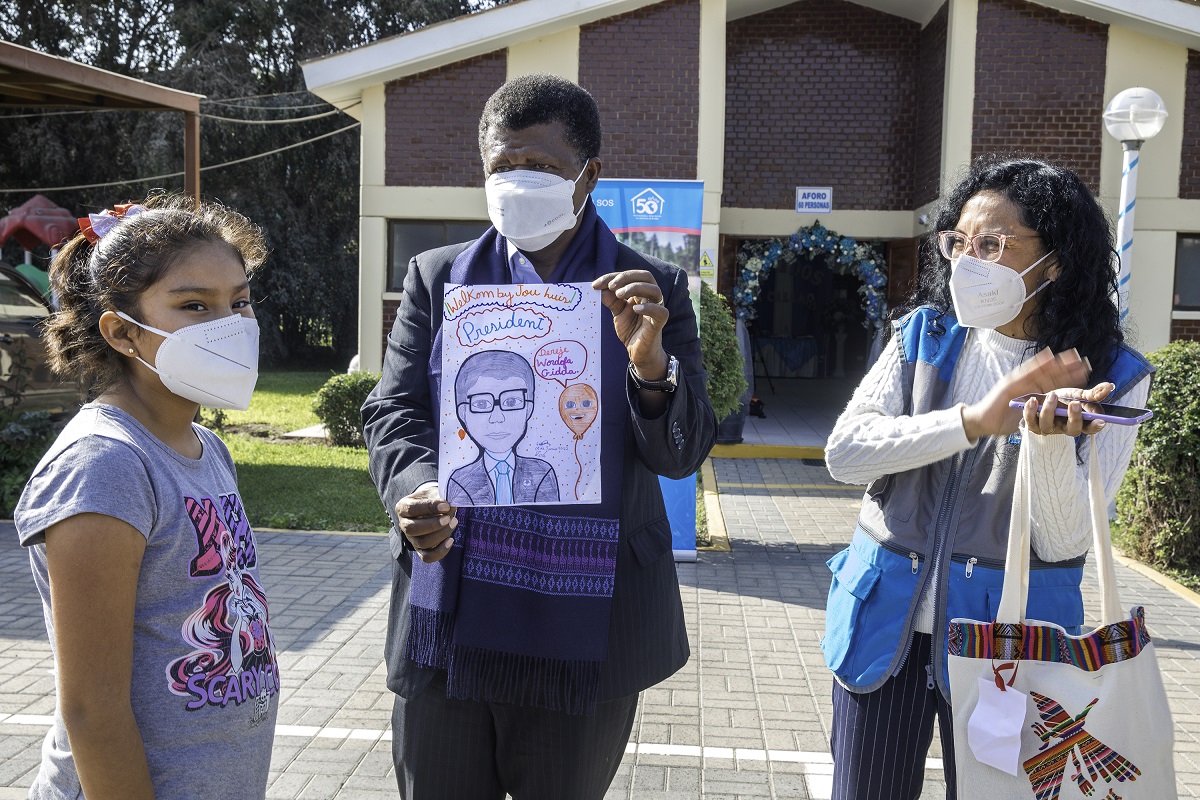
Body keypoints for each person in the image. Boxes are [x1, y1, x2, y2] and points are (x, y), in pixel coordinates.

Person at [362, 73, 717, 800]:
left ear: (589, 174)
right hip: (451, 608)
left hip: (590, 625)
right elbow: (393, 411)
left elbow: (681, 453)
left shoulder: (653, 289)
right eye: (503, 166)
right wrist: (418, 488)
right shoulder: (438, 278)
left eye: (542, 166)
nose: (518, 182)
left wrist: (651, 366)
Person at [821, 157, 1154, 799]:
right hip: (882, 628)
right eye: (959, 242)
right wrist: (972, 420)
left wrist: (1047, 444)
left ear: (1053, 262)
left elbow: (1064, 543)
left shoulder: (1112, 374)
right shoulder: (923, 335)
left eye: (993, 245)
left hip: (1010, 649)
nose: (967, 262)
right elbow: (845, 454)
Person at [13, 197, 278, 799]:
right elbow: (92, 711)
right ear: (122, 332)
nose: (229, 324)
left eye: (239, 302)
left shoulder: (208, 448)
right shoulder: (106, 465)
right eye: (194, 306)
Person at [447, 349, 559, 505]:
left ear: (529, 408)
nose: (497, 418)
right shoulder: (460, 480)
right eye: (481, 404)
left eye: (511, 402)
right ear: (463, 413)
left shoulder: (542, 472)